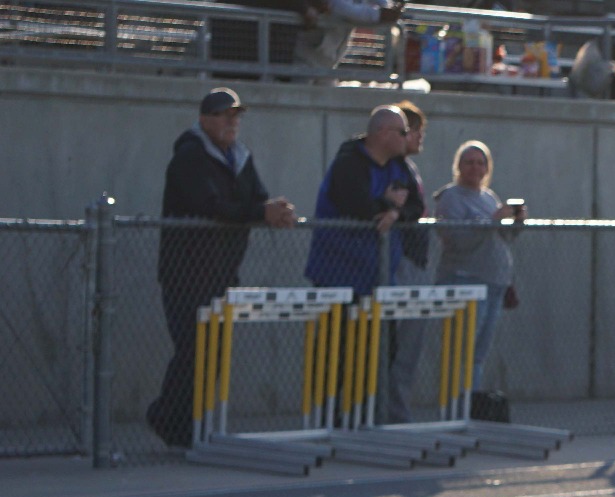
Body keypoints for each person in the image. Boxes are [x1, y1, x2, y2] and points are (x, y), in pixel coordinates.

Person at [150, 87, 296, 449]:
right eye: (223, 115)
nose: (232, 122)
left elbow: (255, 199)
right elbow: (210, 205)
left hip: (222, 270)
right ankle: (168, 419)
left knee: (212, 352)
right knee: (193, 348)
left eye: (236, 115)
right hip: (186, 272)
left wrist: (276, 209)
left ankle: (182, 425)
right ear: (204, 120)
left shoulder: (240, 157)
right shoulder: (190, 156)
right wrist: (258, 212)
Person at [305, 107, 417, 362]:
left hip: (379, 278)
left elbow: (416, 206)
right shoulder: (349, 162)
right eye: (402, 132)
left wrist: (396, 213)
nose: (407, 138)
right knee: (335, 358)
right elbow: (357, 207)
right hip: (339, 278)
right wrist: (387, 204)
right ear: (383, 133)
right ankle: (328, 403)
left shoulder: (400, 166)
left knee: (382, 356)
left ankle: (372, 403)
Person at [432, 140, 522, 404]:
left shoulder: (488, 197)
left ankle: (470, 404)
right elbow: (457, 240)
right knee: (461, 347)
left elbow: (505, 237)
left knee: (479, 352)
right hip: (465, 280)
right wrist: (491, 221)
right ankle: (451, 404)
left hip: (494, 282)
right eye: (469, 162)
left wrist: (515, 221)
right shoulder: (451, 197)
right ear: (458, 166)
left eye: (480, 163)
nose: (475, 168)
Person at [378, 99, 432, 425]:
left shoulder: (408, 169)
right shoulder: (393, 169)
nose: (420, 137)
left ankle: (395, 410)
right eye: (415, 131)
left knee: (410, 344)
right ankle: (391, 413)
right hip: (401, 263)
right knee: (396, 345)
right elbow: (400, 207)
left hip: (415, 262)